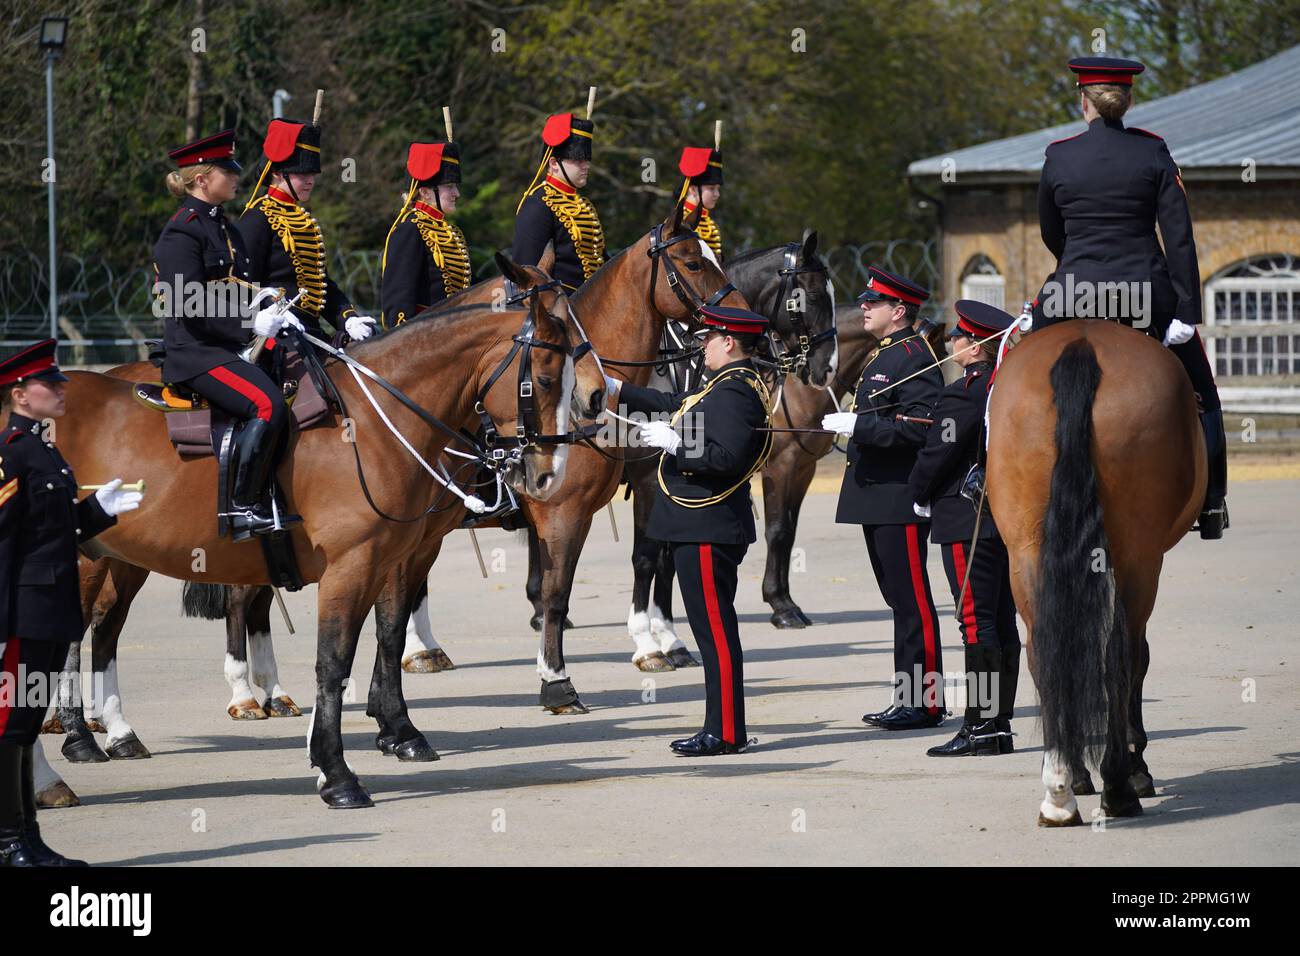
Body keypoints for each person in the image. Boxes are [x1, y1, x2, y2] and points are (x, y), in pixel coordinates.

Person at [1033, 55, 1227, 539]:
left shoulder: (1059, 155)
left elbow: (1050, 232)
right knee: (1203, 393)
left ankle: (980, 477)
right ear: (1128, 101)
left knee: (1003, 380)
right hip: (1145, 296)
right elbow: (1178, 237)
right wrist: (1187, 311)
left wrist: (1079, 268)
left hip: (1070, 295)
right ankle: (1213, 502)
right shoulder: (1154, 152)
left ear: (1084, 102)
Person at [604, 305, 773, 755]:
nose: (702, 347)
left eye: (708, 339)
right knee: (710, 631)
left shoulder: (736, 392)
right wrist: (616, 388)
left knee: (714, 633)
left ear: (729, 342)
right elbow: (673, 404)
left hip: (707, 528)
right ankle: (720, 727)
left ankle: (727, 731)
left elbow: (727, 458)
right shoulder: (723, 386)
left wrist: (679, 446)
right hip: (697, 525)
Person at [0, 340, 143, 866]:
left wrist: (98, 510)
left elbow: (58, 531)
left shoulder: (44, 448)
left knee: (26, 720)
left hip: (50, 613)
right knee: (11, 725)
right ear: (21, 394)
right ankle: (9, 841)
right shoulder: (11, 451)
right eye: (49, 384)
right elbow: (2, 543)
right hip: (21, 615)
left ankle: (29, 838)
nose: (61, 388)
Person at [153, 128, 301, 540]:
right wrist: (249, 325)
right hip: (197, 353)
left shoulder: (226, 228)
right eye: (228, 170)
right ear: (202, 178)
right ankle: (243, 506)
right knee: (268, 404)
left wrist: (269, 306)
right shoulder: (182, 232)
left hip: (234, 347)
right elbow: (185, 302)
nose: (237, 176)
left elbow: (239, 288)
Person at [822, 268, 945, 731]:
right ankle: (908, 697)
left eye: (873, 303)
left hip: (899, 500)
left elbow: (921, 427)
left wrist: (862, 427)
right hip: (877, 497)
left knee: (913, 602)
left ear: (899, 312)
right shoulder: (884, 355)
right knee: (900, 601)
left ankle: (926, 702)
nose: (864, 308)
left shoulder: (913, 356)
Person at [909, 301, 1021, 756]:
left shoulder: (965, 393)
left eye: (958, 335)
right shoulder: (1003, 387)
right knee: (1001, 621)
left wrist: (917, 492)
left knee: (976, 622)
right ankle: (1000, 723)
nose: (952, 341)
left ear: (975, 346)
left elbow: (938, 454)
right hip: (1002, 517)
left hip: (964, 518)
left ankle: (980, 727)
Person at [240, 118, 377, 346]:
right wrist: (273, 310)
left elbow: (320, 283)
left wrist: (348, 318)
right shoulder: (257, 218)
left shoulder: (304, 220)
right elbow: (243, 285)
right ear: (276, 173)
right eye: (302, 174)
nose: (311, 180)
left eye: (312, 174)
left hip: (310, 334)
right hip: (273, 336)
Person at [381, 139, 472, 327]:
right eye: (450, 186)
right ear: (425, 192)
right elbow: (398, 301)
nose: (457, 193)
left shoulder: (451, 232)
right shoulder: (410, 229)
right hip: (426, 336)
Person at [513, 112, 606, 291]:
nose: (586, 165)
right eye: (579, 159)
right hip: (559, 308)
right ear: (554, 163)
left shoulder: (584, 205)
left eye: (587, 159)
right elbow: (525, 274)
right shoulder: (538, 204)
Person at [677, 145, 724, 260]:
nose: (717, 194)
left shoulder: (711, 225)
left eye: (718, 189)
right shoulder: (678, 222)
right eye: (711, 188)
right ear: (693, 189)